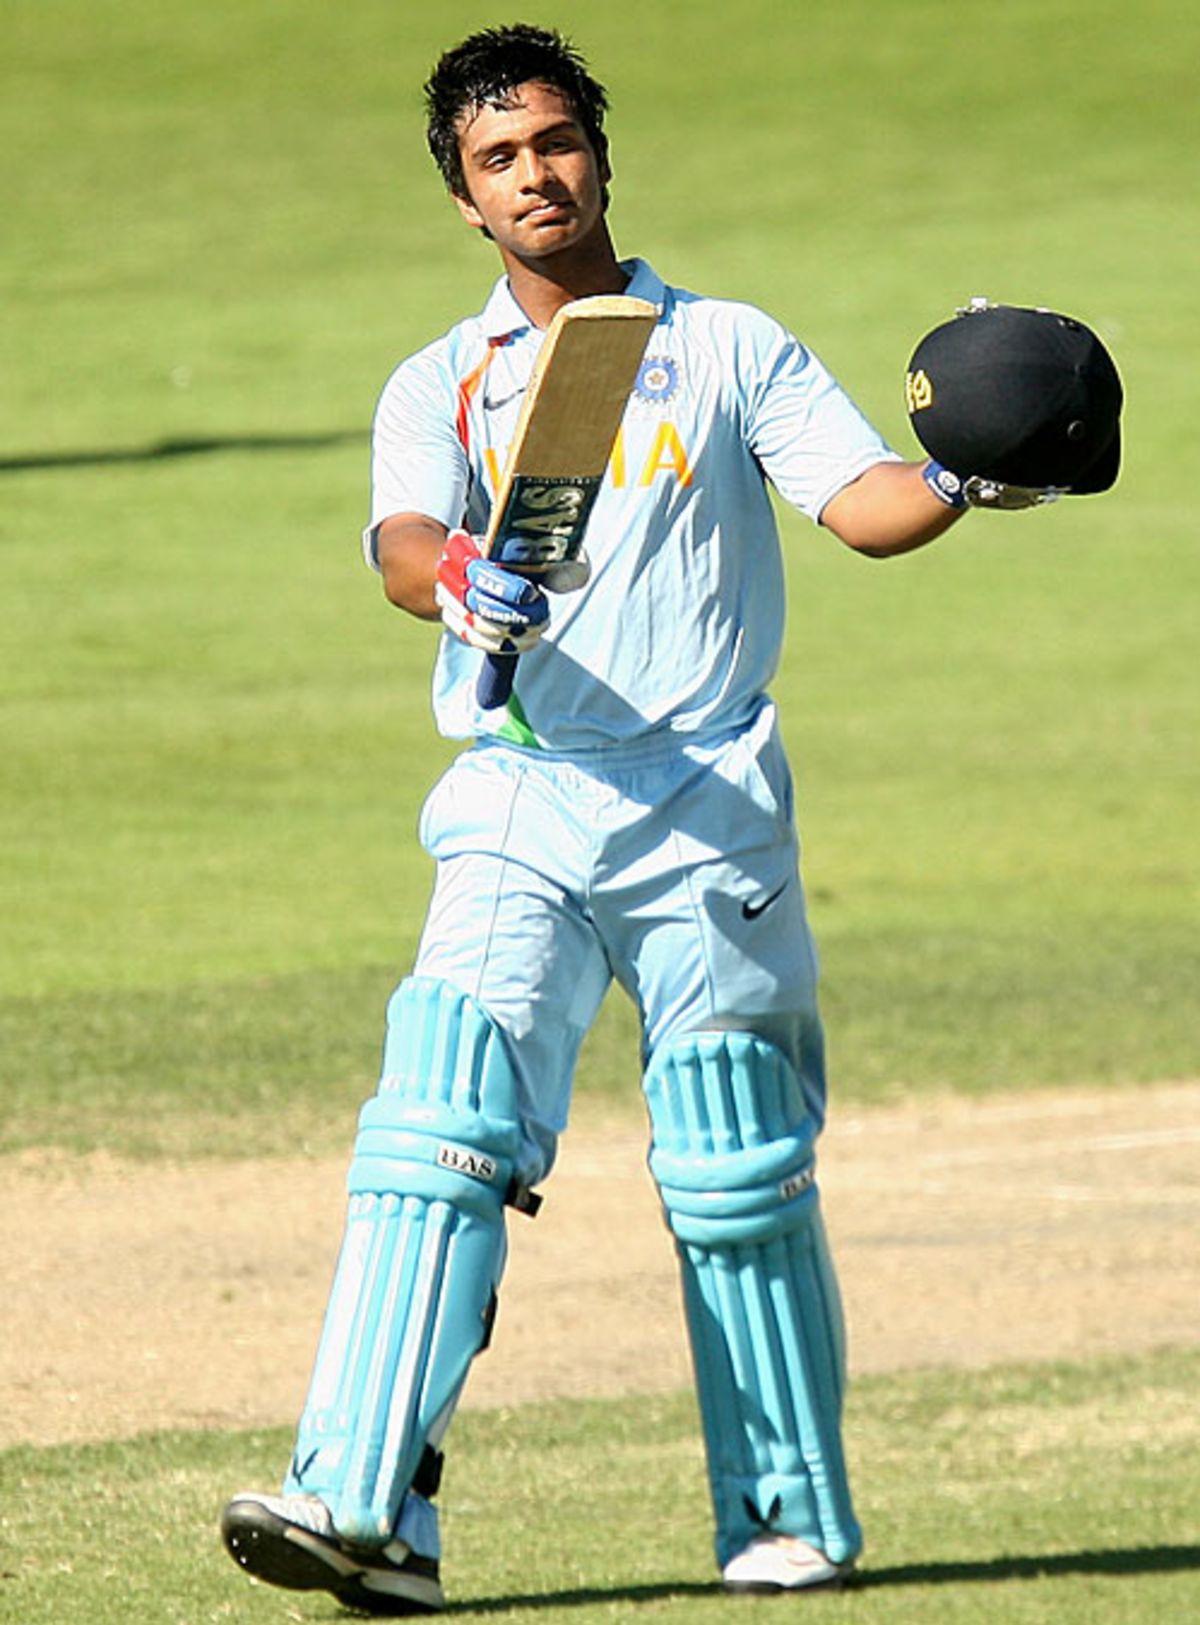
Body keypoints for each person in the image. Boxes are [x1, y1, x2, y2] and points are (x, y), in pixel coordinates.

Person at [220, 23, 1045, 1614]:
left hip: (709, 805)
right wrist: (462, 577)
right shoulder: (440, 380)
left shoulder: (729, 345)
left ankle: (786, 1517)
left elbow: (861, 503)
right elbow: (401, 544)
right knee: (437, 1127)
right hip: (520, 791)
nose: (534, 175)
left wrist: (965, 479)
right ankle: (365, 1504)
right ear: (464, 198)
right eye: (498, 158)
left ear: (601, 152)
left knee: (737, 1168)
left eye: (555, 142)